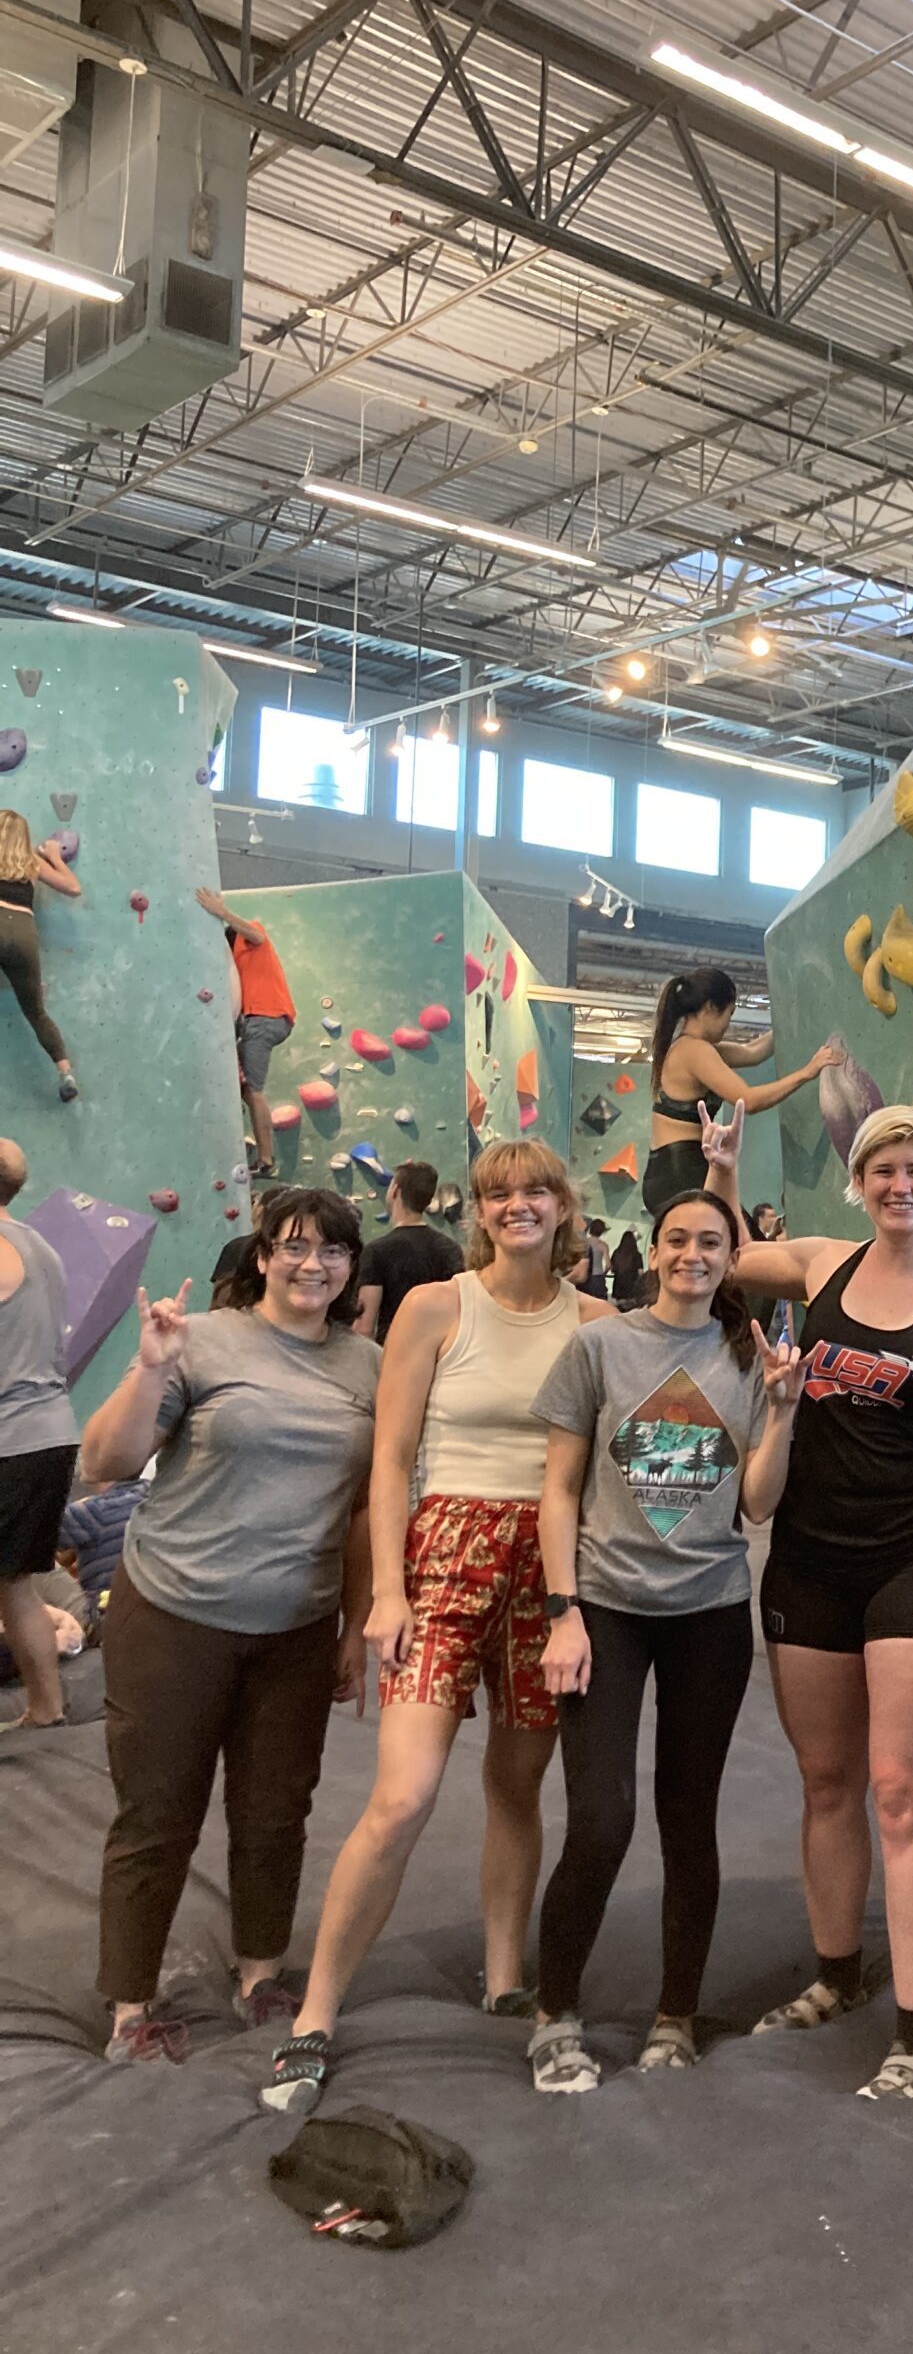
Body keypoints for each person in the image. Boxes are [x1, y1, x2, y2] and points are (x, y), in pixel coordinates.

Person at [261, 1141, 602, 2112]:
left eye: (534, 1190)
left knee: (518, 1783)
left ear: (561, 1204)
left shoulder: (599, 1321)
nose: (516, 1206)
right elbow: (390, 1456)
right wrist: (386, 1591)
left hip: (548, 1571)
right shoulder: (436, 1307)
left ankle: (505, 1975)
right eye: (499, 1193)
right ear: (480, 1210)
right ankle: (314, 2014)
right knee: (402, 1795)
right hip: (446, 1552)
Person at [701, 1099, 913, 2101]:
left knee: (901, 1793)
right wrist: (721, 1168)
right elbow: (721, 1258)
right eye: (884, 1170)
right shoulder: (822, 1261)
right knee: (826, 1780)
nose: (901, 1187)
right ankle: (836, 1975)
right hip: (807, 1561)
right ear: (862, 1178)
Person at [80, 1191, 378, 2064]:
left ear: (352, 1268)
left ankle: (260, 1973)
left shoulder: (369, 1364)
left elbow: (365, 1507)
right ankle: (130, 2007)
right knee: (157, 1812)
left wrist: (355, 1625)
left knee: (276, 1809)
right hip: (176, 1610)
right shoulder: (203, 1338)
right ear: (261, 1257)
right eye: (292, 1248)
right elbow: (106, 1462)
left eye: (331, 1252)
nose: (311, 1265)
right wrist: (148, 1367)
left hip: (295, 1626)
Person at [524, 1188, 806, 2095]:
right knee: (601, 1821)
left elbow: (757, 1503)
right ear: (655, 1250)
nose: (692, 1253)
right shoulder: (600, 1347)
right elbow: (560, 1489)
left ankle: (674, 2014)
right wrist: (561, 1610)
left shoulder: (745, 1354)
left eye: (711, 1242)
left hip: (709, 1613)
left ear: (732, 1258)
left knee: (691, 1820)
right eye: (678, 1238)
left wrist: (785, 1407)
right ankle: (553, 2010)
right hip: (604, 1607)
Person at [640, 967, 840, 1224]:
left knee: (739, 1247)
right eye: (729, 1013)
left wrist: (791, 1016)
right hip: (680, 1172)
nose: (729, 1024)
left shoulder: (694, 1048)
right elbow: (749, 1100)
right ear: (711, 1008)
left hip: (673, 1170)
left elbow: (753, 1052)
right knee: (745, 1249)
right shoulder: (694, 1051)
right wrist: (807, 1072)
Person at [0, 1137, 79, 1732]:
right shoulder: (40, 1246)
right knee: (15, 1583)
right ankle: (46, 1707)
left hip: (12, 1437)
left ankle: (46, 1706)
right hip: (47, 1431)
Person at [194, 887, 298, 1173]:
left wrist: (221, 912)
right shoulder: (240, 961)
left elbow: (256, 935)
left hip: (264, 1017)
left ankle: (266, 1160)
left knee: (254, 1089)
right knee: (243, 1084)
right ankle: (252, 1144)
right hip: (258, 1020)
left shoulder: (251, 937)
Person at [0, 809, 82, 1102]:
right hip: (23, 932)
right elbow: (73, 887)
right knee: (36, 1012)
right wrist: (55, 856)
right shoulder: (31, 863)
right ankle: (66, 1073)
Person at [353, 1162, 463, 1342]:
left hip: (392, 1355)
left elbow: (364, 1327)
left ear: (395, 1190)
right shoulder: (450, 1248)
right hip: (440, 1355)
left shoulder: (376, 1251)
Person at [608, 1228, 645, 1311]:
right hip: (632, 1287)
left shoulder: (617, 1252)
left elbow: (612, 1269)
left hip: (618, 1286)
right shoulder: (637, 1254)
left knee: (619, 1311)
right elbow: (640, 1272)